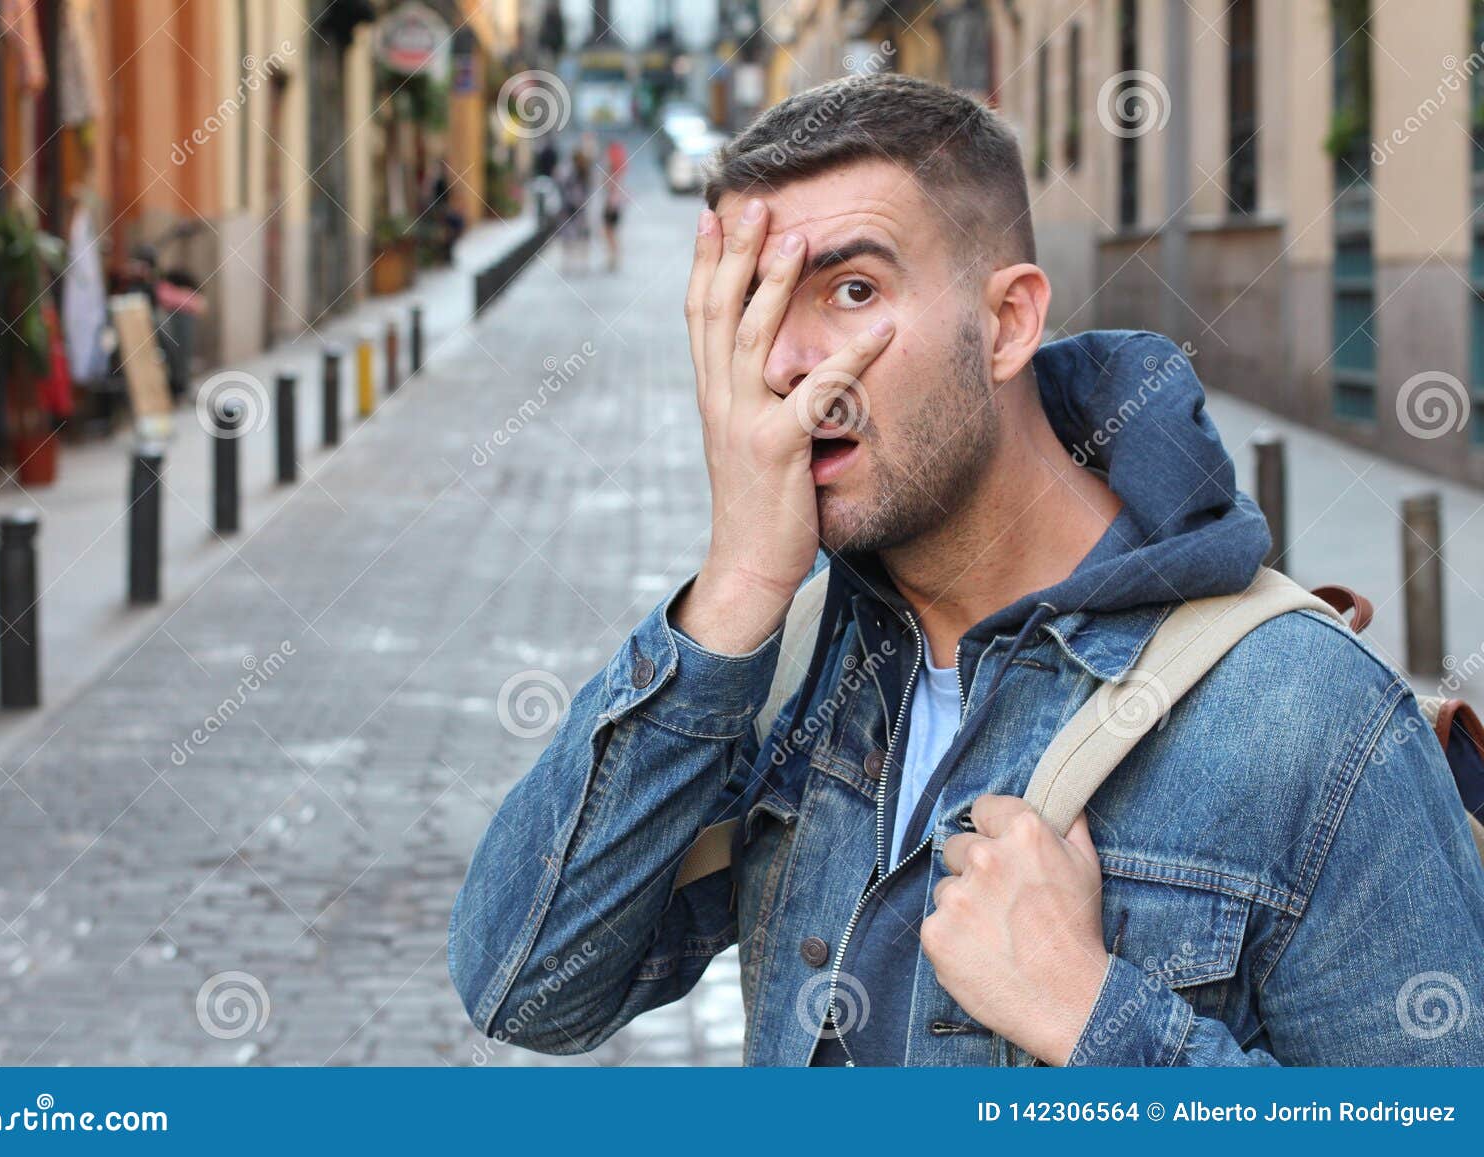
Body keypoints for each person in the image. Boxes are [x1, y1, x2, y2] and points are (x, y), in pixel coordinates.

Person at [449, 74, 1484, 1065]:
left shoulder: (1310, 720)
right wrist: (734, 589)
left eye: (850, 288)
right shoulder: (788, 668)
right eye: (753, 304)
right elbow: (525, 984)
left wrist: (1094, 1017)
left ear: (1006, 322)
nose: (784, 364)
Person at [557, 150, 593, 274]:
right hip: (579, 209)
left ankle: (570, 262)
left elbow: (563, 187)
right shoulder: (584, 173)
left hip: (571, 208)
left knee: (570, 237)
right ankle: (581, 263)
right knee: (580, 236)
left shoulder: (575, 173)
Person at [601, 138, 628, 272]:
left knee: (609, 233)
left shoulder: (613, 175)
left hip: (612, 206)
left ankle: (614, 258)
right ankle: (613, 257)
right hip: (615, 206)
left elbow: (612, 191)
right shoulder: (618, 174)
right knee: (610, 233)